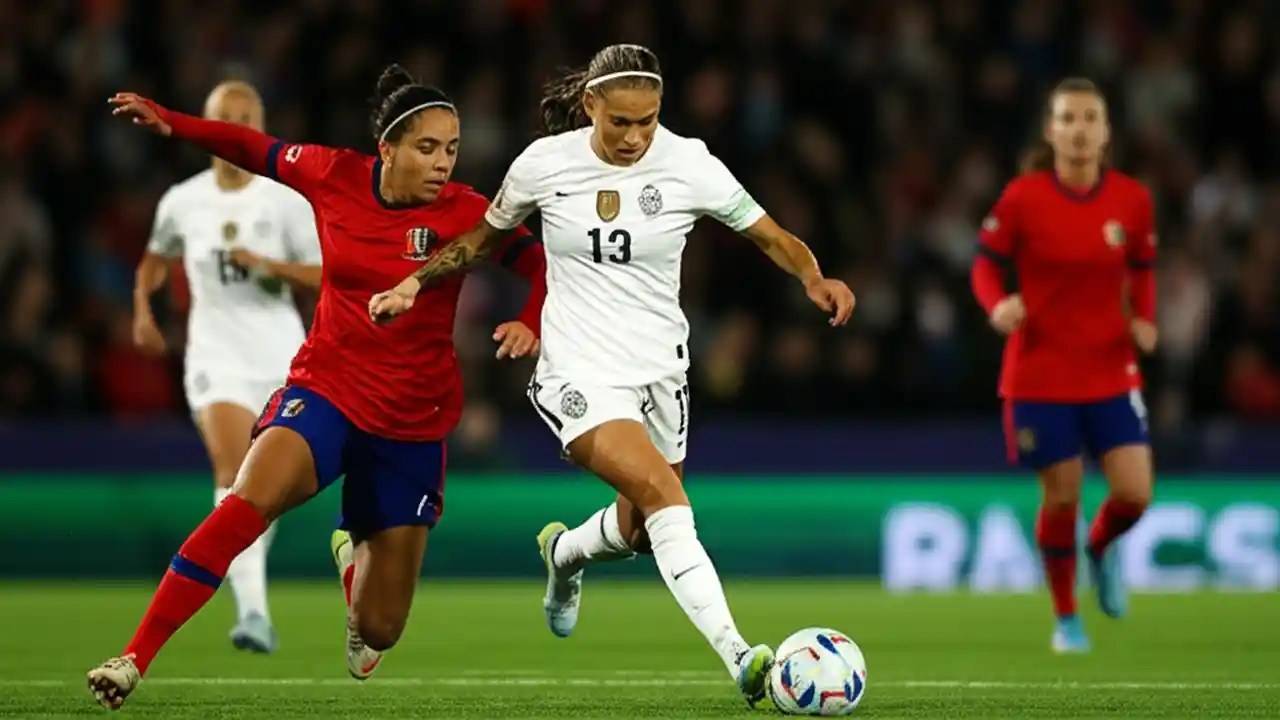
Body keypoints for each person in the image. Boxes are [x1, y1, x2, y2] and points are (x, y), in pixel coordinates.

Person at [369, 44, 855, 706]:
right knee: (666, 499)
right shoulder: (544, 165)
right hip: (577, 372)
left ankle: (565, 554)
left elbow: (768, 233)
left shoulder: (688, 163)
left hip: (659, 371)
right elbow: (482, 240)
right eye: (620, 122)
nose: (633, 137)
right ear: (590, 104)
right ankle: (741, 656)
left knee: (641, 529)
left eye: (646, 121)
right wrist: (413, 283)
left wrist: (813, 277)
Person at [88, 65, 546, 709]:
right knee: (245, 503)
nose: (443, 162)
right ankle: (133, 658)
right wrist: (175, 122)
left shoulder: (468, 211)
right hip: (327, 389)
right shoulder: (333, 174)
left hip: (412, 420)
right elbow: (252, 147)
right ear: (387, 148)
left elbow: (539, 261)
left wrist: (530, 321)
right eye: (426, 147)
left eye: (450, 148)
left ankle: (353, 561)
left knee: (380, 629)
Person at [133, 80, 322, 655]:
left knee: (264, 487)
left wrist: (271, 267)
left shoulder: (285, 200)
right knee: (232, 468)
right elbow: (155, 259)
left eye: (246, 118)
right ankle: (254, 613)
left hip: (281, 355)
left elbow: (324, 274)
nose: (235, 128)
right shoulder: (183, 201)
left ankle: (255, 602)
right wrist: (142, 309)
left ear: (260, 128)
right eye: (225, 118)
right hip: (215, 355)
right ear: (208, 126)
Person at [970, 77, 1157, 654]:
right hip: (1041, 374)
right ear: (1050, 131)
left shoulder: (1132, 200)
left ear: (1106, 131)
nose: (1079, 130)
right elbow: (984, 264)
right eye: (1068, 119)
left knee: (1135, 493)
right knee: (1062, 497)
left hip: (1110, 368)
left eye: (1089, 118)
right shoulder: (1023, 198)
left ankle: (1099, 548)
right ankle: (1067, 617)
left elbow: (1142, 266)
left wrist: (1145, 318)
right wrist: (997, 305)